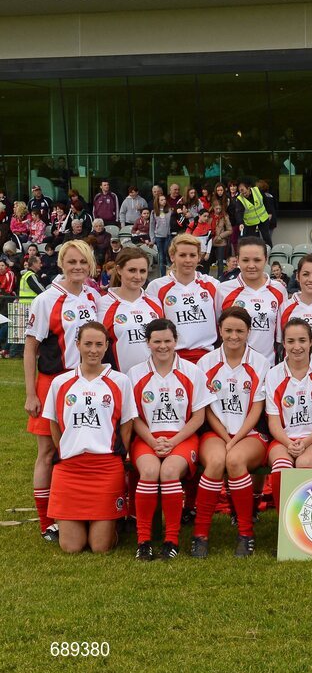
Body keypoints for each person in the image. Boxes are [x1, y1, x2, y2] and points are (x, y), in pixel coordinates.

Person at [23, 240, 100, 542]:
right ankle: (47, 522)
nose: (77, 267)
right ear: (61, 264)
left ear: (90, 264)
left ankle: (82, 510)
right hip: (53, 384)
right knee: (47, 451)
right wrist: (32, 394)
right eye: (71, 262)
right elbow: (31, 349)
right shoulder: (46, 300)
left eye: (83, 262)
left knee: (82, 448)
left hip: (87, 385)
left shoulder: (95, 296)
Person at [42, 322, 136, 554]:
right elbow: (54, 424)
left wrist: (117, 454)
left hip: (105, 468)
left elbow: (126, 424)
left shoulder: (120, 381)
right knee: (71, 547)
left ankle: (109, 524)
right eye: (87, 344)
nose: (93, 350)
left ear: (106, 347)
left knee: (100, 547)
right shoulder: (60, 382)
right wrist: (65, 450)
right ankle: (79, 521)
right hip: (70, 469)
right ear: (77, 345)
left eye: (98, 344)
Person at [127, 320, 212, 561]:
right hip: (147, 438)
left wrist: (173, 441)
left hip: (182, 437)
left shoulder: (192, 371)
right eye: (157, 341)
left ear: (176, 341)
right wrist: (153, 442)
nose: (163, 346)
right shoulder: (135, 373)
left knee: (169, 471)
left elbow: (198, 417)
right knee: (150, 471)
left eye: (168, 341)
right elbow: (134, 417)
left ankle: (171, 539)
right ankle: (143, 541)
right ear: (148, 343)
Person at [193, 307, 271, 558]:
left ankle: (246, 533)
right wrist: (226, 438)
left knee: (235, 460)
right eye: (228, 330)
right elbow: (205, 408)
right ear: (220, 331)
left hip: (249, 434)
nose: (234, 336)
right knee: (216, 461)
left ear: (249, 332)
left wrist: (236, 439)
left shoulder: (260, 362)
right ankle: (200, 535)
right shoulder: (206, 362)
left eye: (240, 331)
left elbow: (258, 408)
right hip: (216, 432)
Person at [265, 318, 312, 511]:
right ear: (284, 343)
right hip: (283, 439)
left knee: (305, 463)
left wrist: (304, 443)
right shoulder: (273, 375)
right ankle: (285, 526)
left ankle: (308, 521)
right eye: (291, 341)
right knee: (281, 466)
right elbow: (274, 423)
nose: (297, 347)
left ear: (311, 341)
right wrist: (289, 443)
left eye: (302, 340)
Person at [147, 234, 220, 363]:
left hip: (208, 358)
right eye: (182, 255)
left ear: (199, 257)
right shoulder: (157, 287)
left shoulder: (213, 285)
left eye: (192, 255)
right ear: (172, 256)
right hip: (172, 358)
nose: (188, 260)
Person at [216, 237, 287, 360]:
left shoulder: (279, 290)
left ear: (266, 260)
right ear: (237, 260)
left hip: (267, 366)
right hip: (232, 366)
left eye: (257, 260)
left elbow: (281, 336)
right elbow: (218, 330)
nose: (251, 265)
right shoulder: (223, 290)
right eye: (245, 260)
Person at [97, 247, 162, 372]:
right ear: (119, 269)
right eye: (132, 270)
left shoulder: (155, 302)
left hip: (153, 381)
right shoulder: (103, 304)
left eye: (142, 271)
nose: (138, 276)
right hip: (121, 381)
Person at [149, 191, 172, 274]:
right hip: (158, 236)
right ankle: (162, 275)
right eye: (161, 200)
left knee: (167, 253)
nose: (164, 201)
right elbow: (151, 226)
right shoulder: (154, 212)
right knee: (161, 256)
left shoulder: (169, 210)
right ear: (158, 201)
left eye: (164, 199)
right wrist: (152, 239)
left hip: (168, 236)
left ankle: (170, 273)